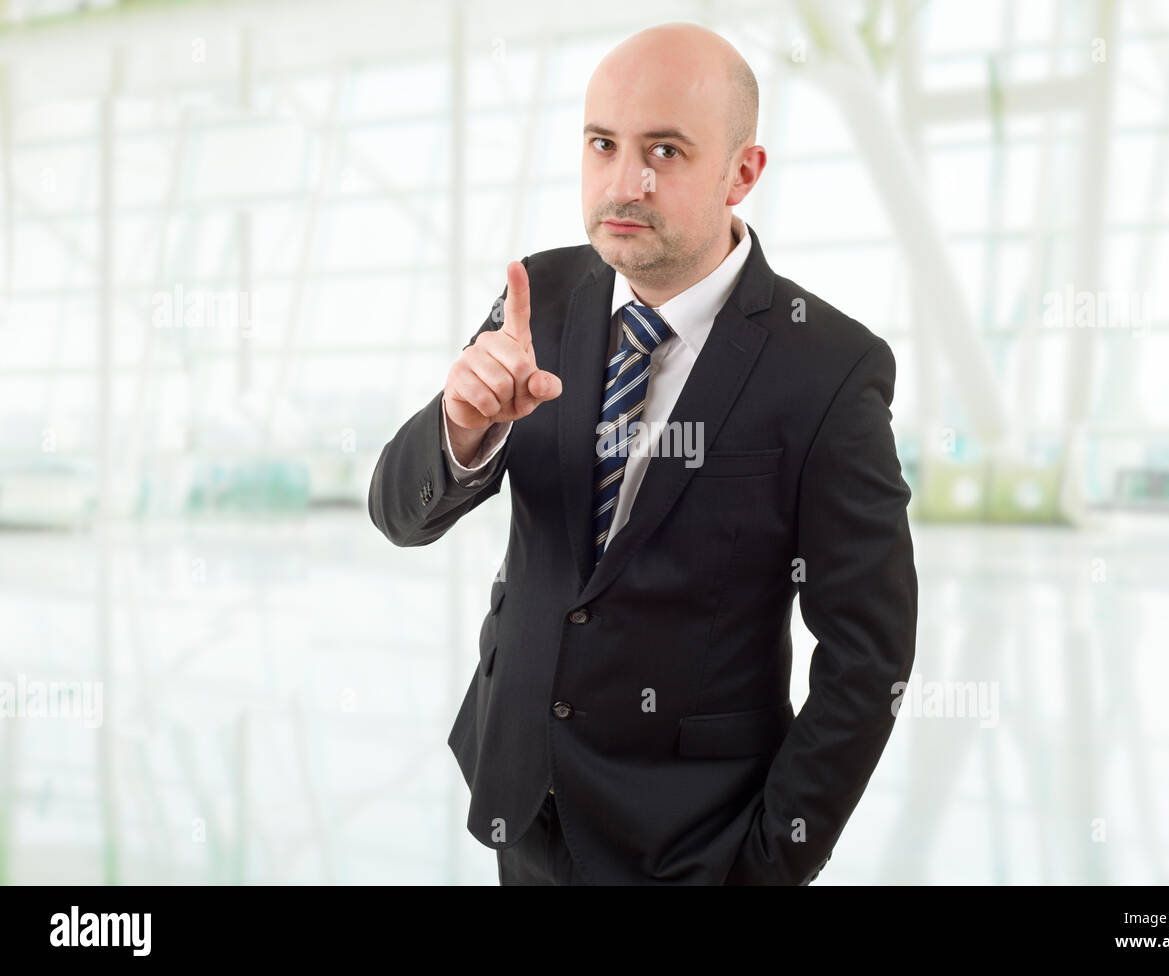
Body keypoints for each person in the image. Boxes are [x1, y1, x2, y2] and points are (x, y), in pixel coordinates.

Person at [368, 22, 917, 884]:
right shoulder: (538, 300)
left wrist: (768, 867)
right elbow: (396, 514)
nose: (625, 183)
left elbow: (868, 657)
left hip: (699, 844)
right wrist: (464, 426)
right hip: (524, 803)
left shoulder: (829, 369)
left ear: (743, 173)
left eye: (664, 150)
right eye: (602, 145)